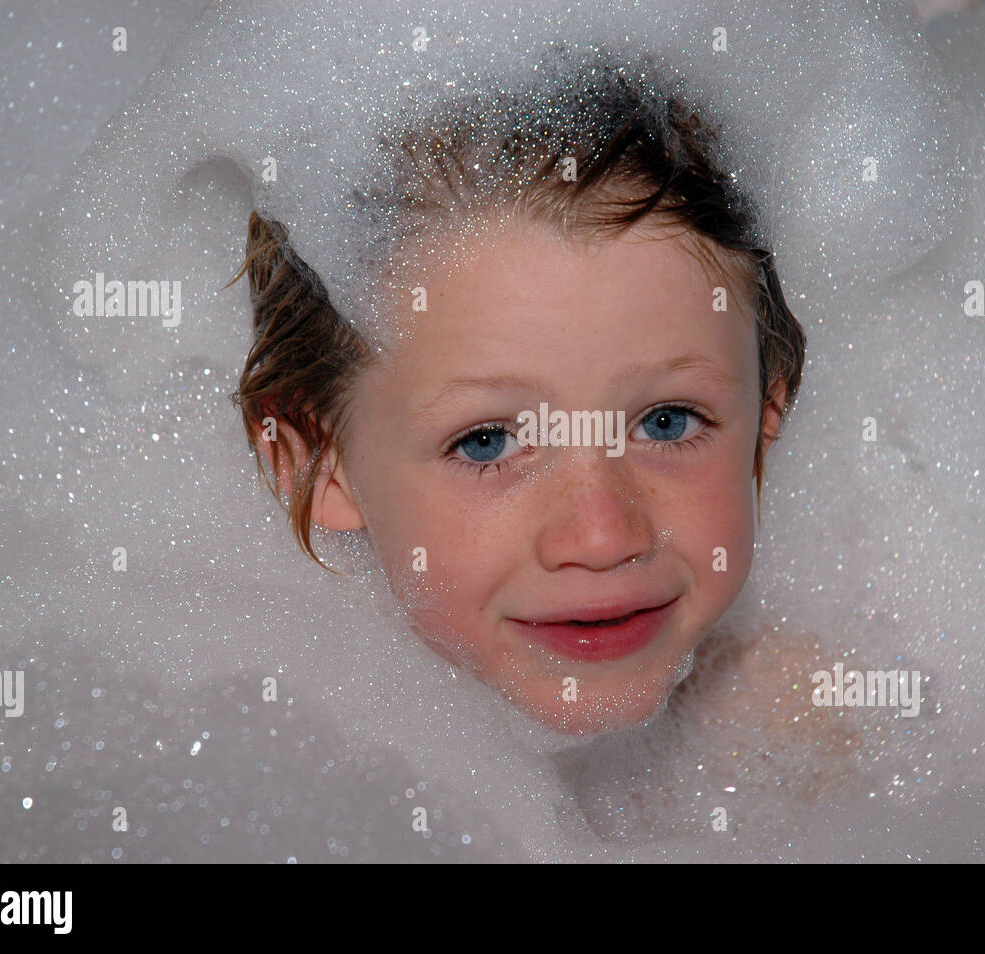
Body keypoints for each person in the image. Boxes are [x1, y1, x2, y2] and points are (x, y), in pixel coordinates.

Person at [231, 48, 806, 735]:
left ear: (769, 405)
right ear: (316, 457)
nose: (600, 537)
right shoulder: (274, 753)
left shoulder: (812, 730)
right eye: (488, 441)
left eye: (667, 422)